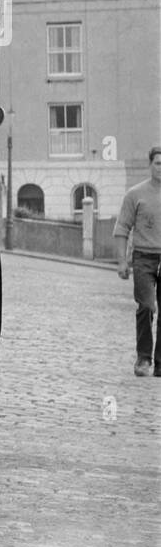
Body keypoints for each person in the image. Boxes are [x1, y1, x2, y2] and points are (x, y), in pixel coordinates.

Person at [113, 146, 161, 377]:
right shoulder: (136, 194)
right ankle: (144, 358)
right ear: (150, 165)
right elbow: (122, 228)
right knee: (147, 306)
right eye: (158, 163)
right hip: (143, 257)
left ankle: (160, 363)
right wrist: (122, 261)